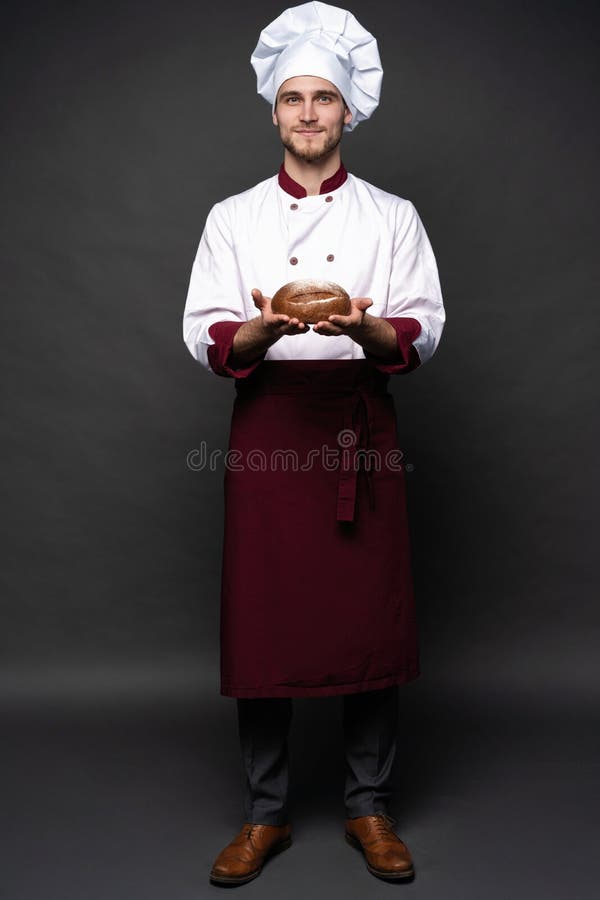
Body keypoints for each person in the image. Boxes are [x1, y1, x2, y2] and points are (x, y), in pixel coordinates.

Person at [183, 0, 445, 886]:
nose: (306, 113)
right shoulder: (232, 218)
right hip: (269, 431)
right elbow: (207, 334)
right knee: (263, 622)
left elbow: (423, 328)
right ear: (273, 110)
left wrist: (367, 329)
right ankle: (267, 815)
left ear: (347, 111)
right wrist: (261, 332)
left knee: (368, 618)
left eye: (322, 98)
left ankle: (368, 806)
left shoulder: (393, 216)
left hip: (358, 429)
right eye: (291, 97)